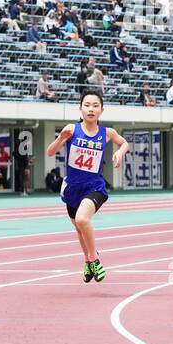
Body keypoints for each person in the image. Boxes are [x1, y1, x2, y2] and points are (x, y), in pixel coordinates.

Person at [45, 91, 130, 284]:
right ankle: (88, 260)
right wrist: (60, 139)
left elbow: (124, 143)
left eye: (95, 105)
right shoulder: (72, 129)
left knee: (83, 220)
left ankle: (94, 259)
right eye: (87, 105)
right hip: (72, 188)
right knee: (79, 229)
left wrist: (120, 153)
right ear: (80, 108)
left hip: (94, 186)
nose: (91, 109)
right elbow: (50, 152)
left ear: (101, 110)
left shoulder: (107, 133)